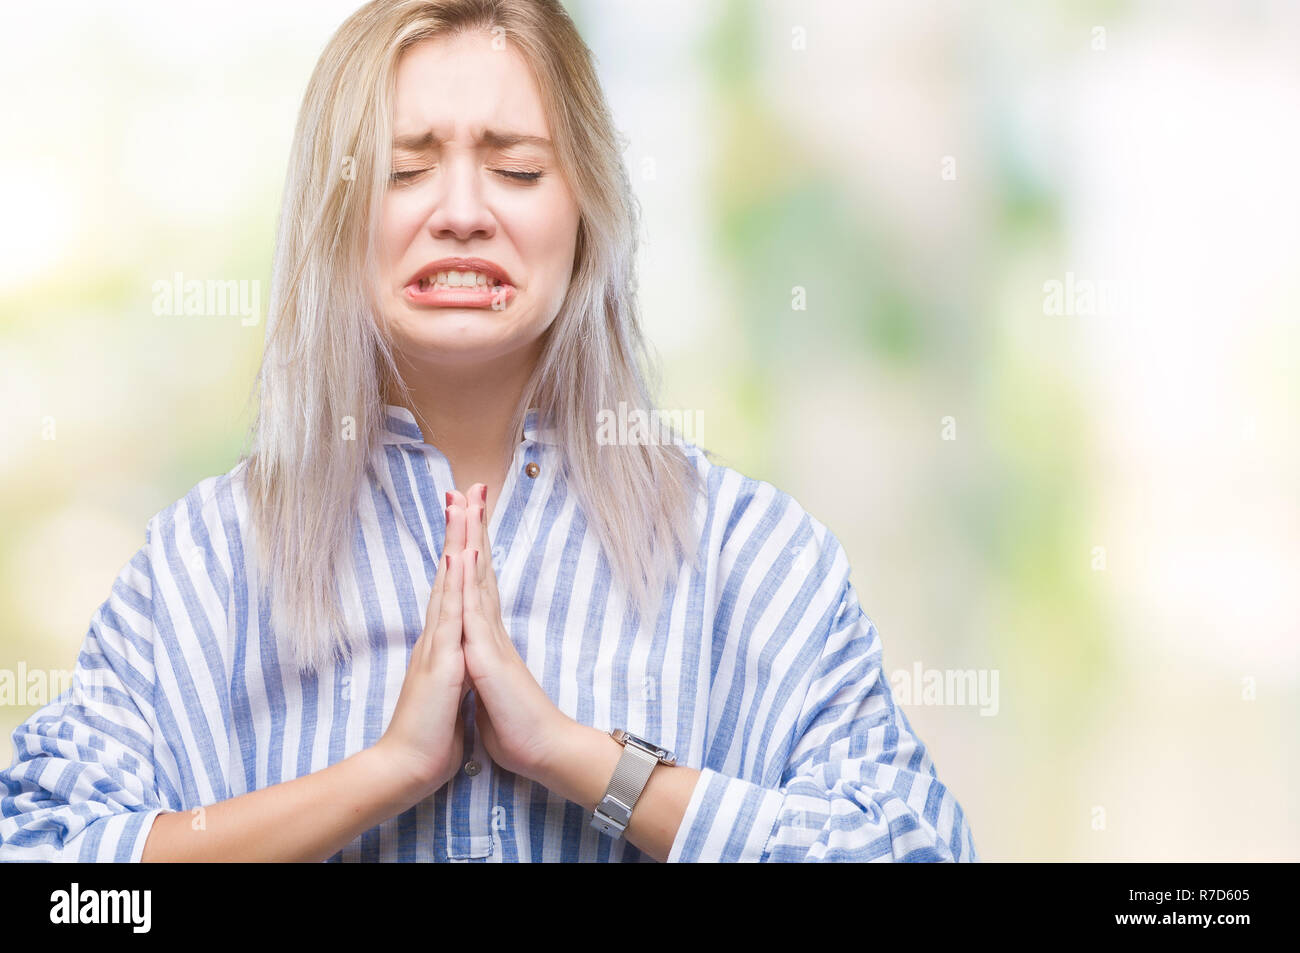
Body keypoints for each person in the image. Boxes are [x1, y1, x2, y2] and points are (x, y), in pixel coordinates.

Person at [0, 0, 978, 863]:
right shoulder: (203, 567)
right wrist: (381, 773)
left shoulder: (751, 558)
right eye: (404, 169)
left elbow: (918, 850)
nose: (462, 213)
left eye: (515, 169)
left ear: (587, 212)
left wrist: (576, 755)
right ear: (331, 213)